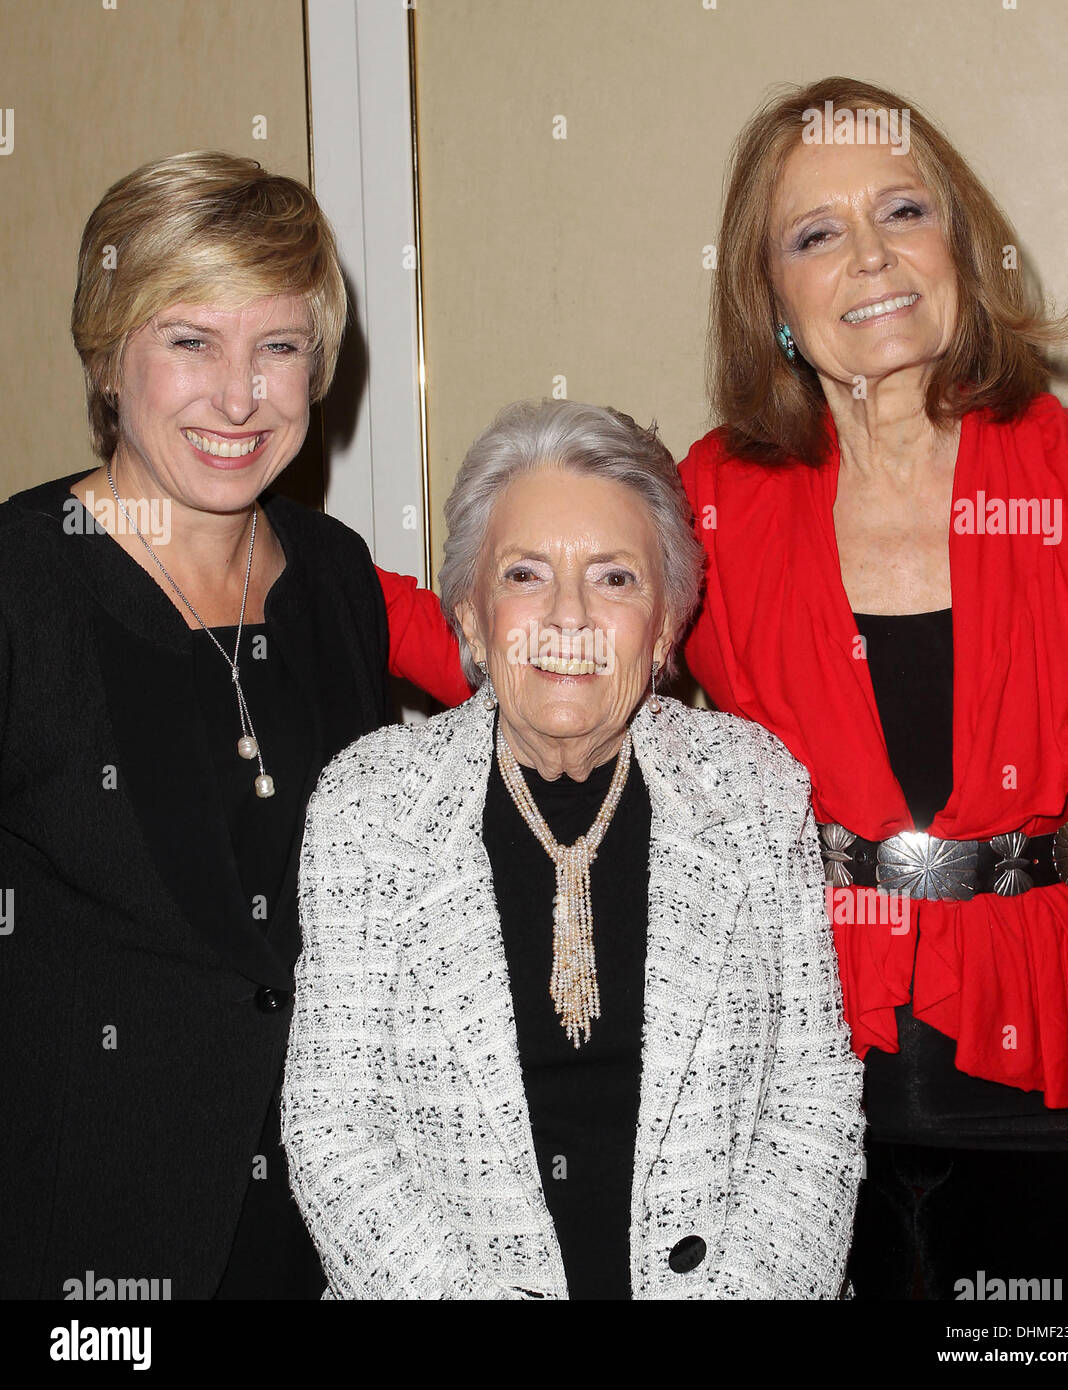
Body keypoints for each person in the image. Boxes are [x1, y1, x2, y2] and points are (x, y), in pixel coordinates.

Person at [679, 76, 1068, 1299]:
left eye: (904, 211)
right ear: (771, 298)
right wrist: (285, 569)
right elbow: (539, 641)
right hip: (796, 1113)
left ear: (960, 247)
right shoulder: (706, 507)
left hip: (1052, 1109)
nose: (870, 255)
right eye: (815, 234)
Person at [0, 151, 470, 1299]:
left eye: (279, 347)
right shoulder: (19, 586)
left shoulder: (336, 577)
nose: (239, 396)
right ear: (110, 356)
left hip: (325, 1230)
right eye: (189, 341)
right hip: (81, 1242)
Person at [281, 398, 864, 1300]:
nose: (568, 617)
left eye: (615, 580)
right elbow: (335, 1128)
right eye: (524, 574)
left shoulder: (755, 790)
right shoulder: (369, 809)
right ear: (469, 615)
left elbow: (813, 1105)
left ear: (667, 625)